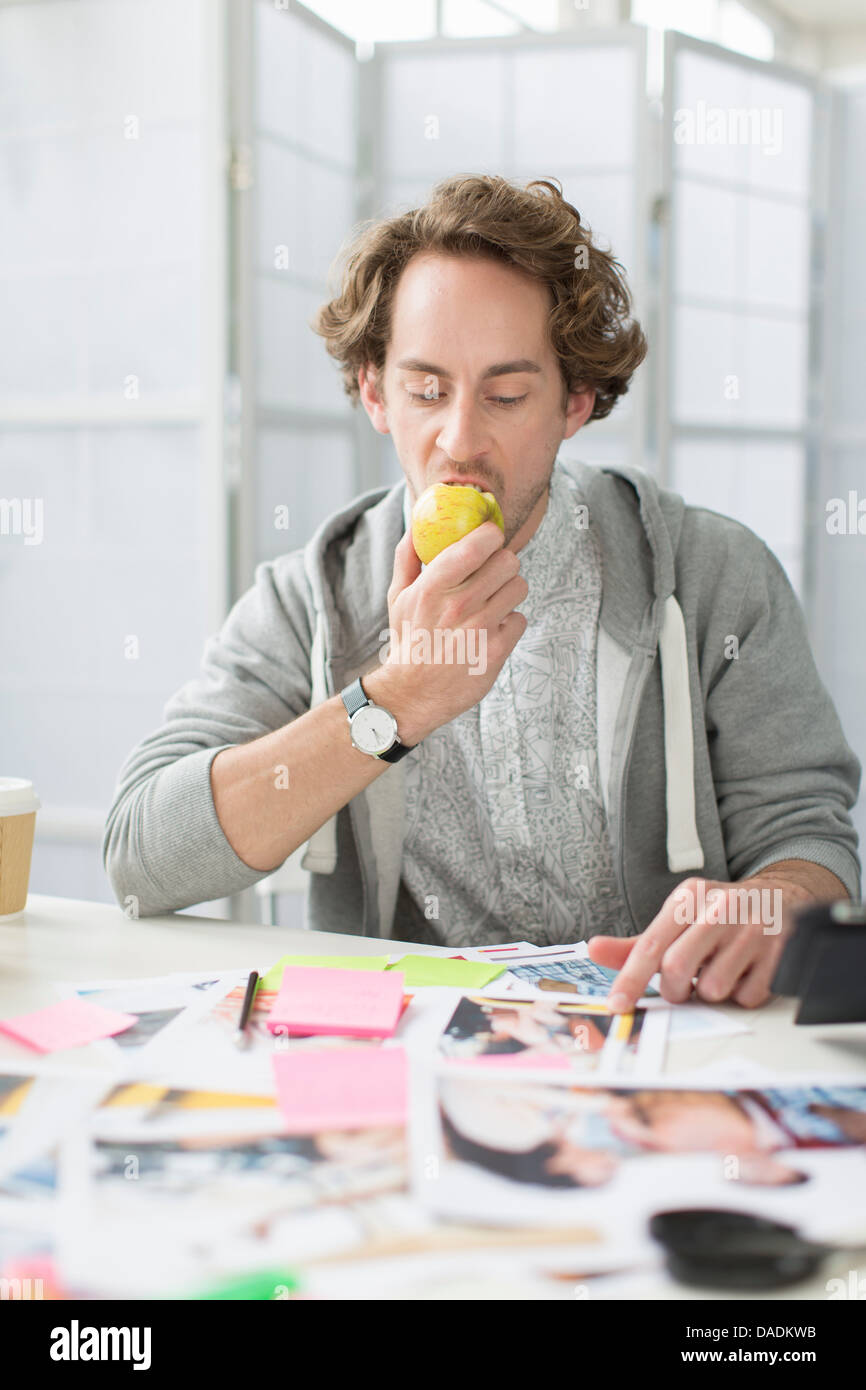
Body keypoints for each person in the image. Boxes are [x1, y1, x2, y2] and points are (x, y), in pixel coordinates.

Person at [103, 174, 861, 1010]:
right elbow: (143, 857)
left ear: (575, 401)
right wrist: (390, 705)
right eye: (426, 390)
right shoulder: (306, 598)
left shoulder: (715, 576)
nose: (459, 439)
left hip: (657, 1036)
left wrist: (770, 905)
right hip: (410, 1063)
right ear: (373, 392)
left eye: (505, 395)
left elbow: (811, 842)